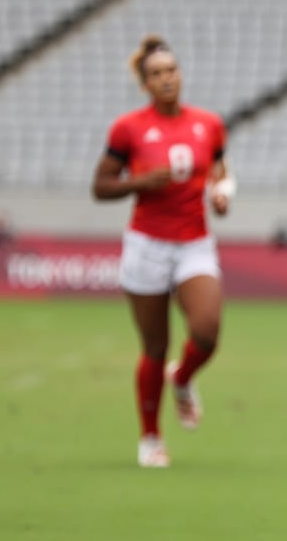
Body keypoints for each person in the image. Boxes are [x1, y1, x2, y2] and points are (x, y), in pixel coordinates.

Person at [91, 35, 234, 468]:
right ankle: (150, 438)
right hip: (148, 244)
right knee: (155, 346)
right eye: (156, 74)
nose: (166, 78)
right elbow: (101, 186)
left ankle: (184, 378)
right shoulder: (128, 129)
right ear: (145, 83)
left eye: (170, 70)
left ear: (180, 74)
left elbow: (220, 172)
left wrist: (222, 193)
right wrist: (139, 182)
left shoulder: (208, 123)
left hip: (194, 243)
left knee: (207, 332)